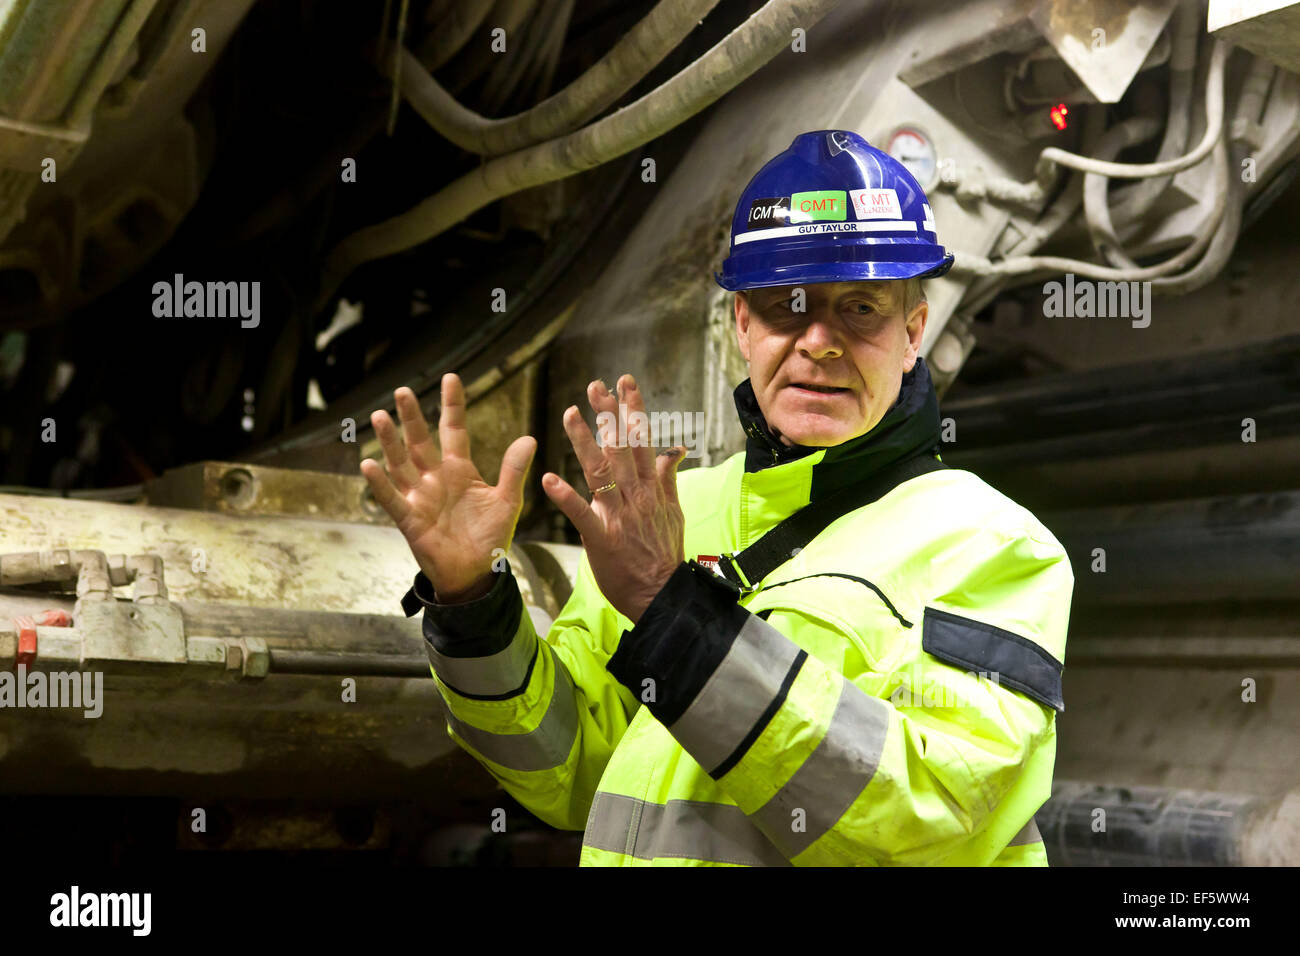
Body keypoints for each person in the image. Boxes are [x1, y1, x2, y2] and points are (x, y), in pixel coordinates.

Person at [361, 129, 1073, 866]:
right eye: (784, 307)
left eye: (860, 308)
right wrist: (473, 603)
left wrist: (677, 618)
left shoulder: (990, 543)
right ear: (741, 325)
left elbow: (937, 811)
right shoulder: (671, 511)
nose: (820, 342)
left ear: (913, 332)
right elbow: (561, 772)